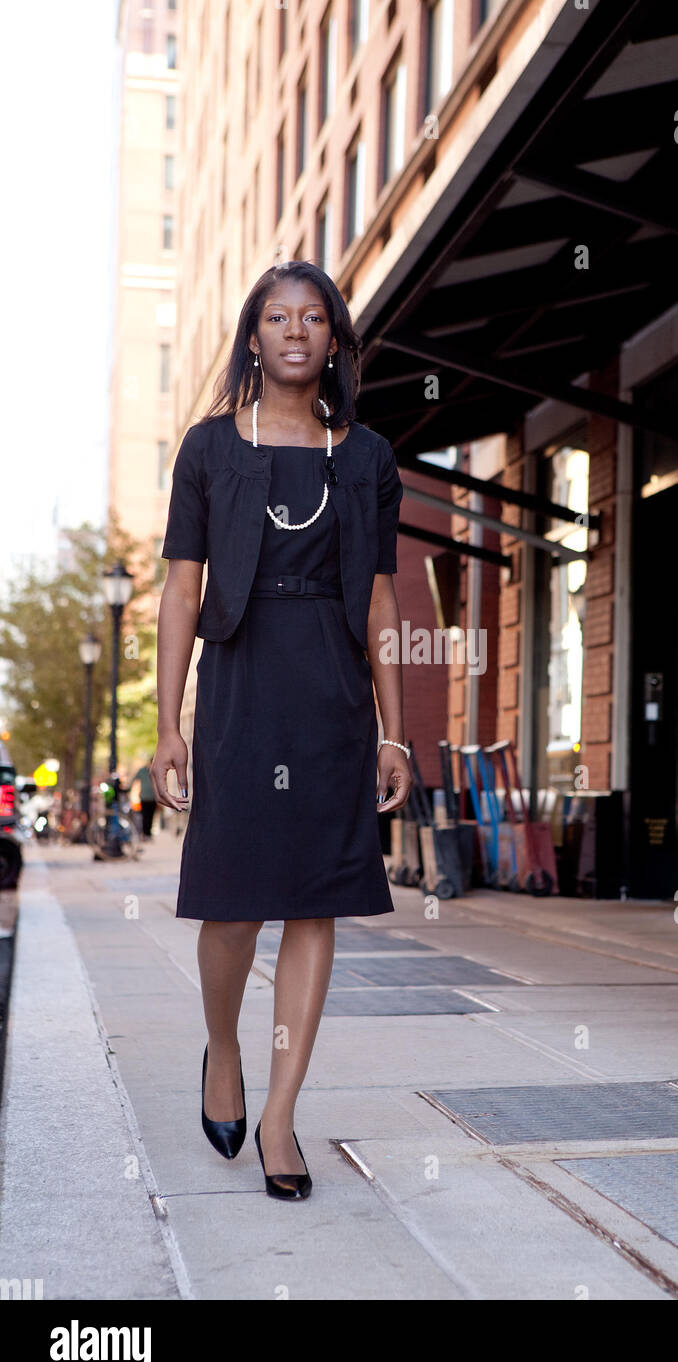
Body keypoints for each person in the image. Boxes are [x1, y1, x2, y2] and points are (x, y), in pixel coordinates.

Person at [151, 262, 412, 1201]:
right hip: (239, 680)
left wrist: (396, 730)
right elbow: (183, 587)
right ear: (253, 338)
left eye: (314, 318)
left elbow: (381, 597)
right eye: (276, 317)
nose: (295, 331)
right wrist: (167, 721)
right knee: (230, 902)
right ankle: (224, 1049)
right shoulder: (210, 448)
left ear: (335, 340)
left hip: (333, 691)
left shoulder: (370, 456)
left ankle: (281, 1116)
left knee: (315, 901)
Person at [130, 759, 157, 837]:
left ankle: (148, 833)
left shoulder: (156, 770)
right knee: (144, 816)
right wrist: (128, 789)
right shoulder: (142, 771)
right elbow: (134, 779)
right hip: (144, 797)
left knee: (151, 816)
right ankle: (145, 833)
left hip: (153, 797)